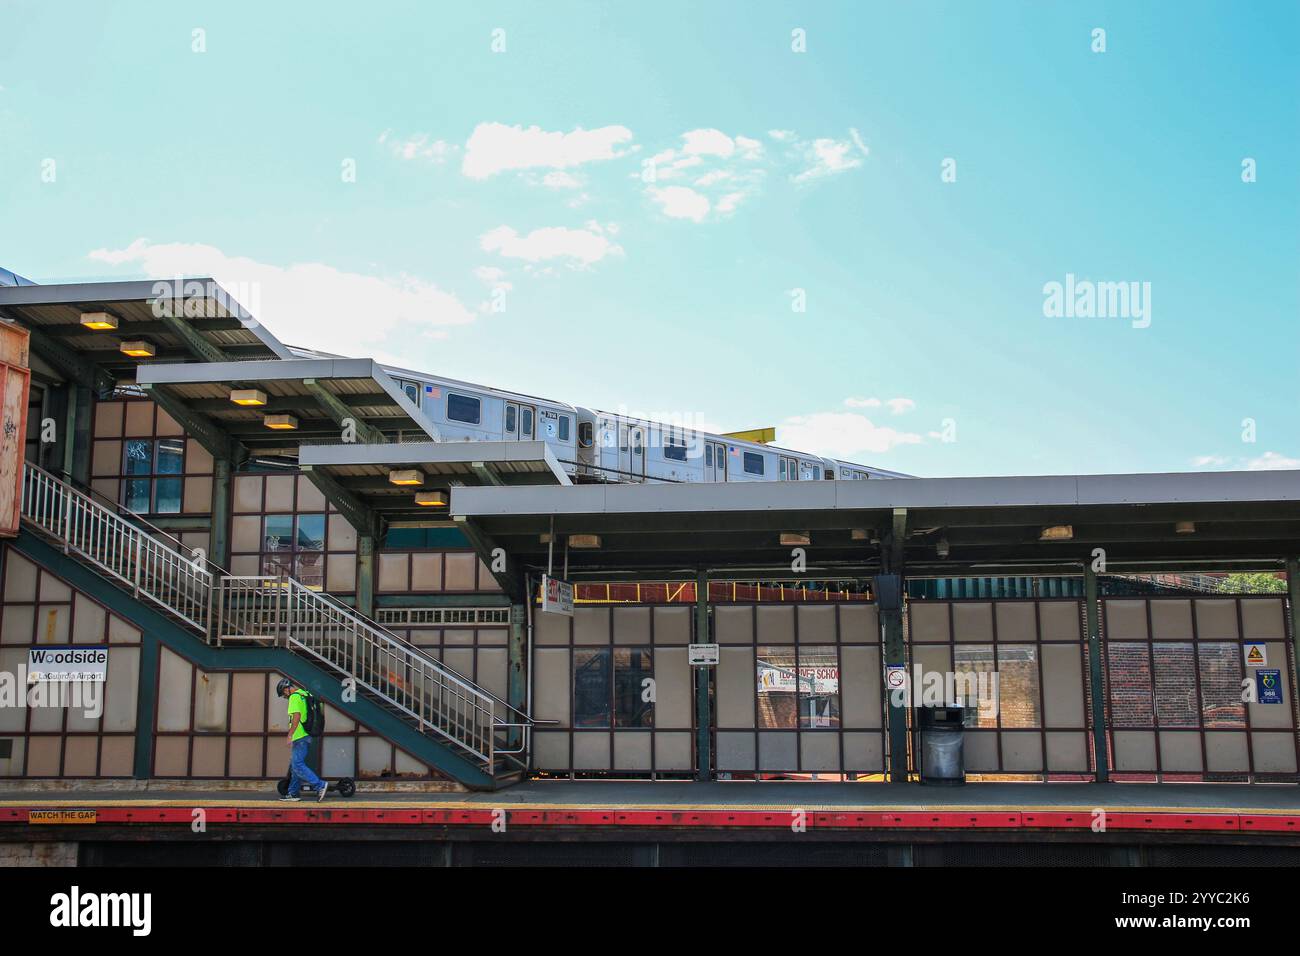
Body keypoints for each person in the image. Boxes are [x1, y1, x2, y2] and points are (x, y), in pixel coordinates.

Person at [276, 678, 328, 802]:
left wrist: (290, 735)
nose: (285, 696)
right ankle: (293, 793)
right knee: (295, 766)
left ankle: (320, 785)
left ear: (286, 689)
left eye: (284, 694)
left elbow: (296, 716)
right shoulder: (305, 694)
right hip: (306, 734)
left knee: (297, 765)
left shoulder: (294, 697)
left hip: (299, 736)